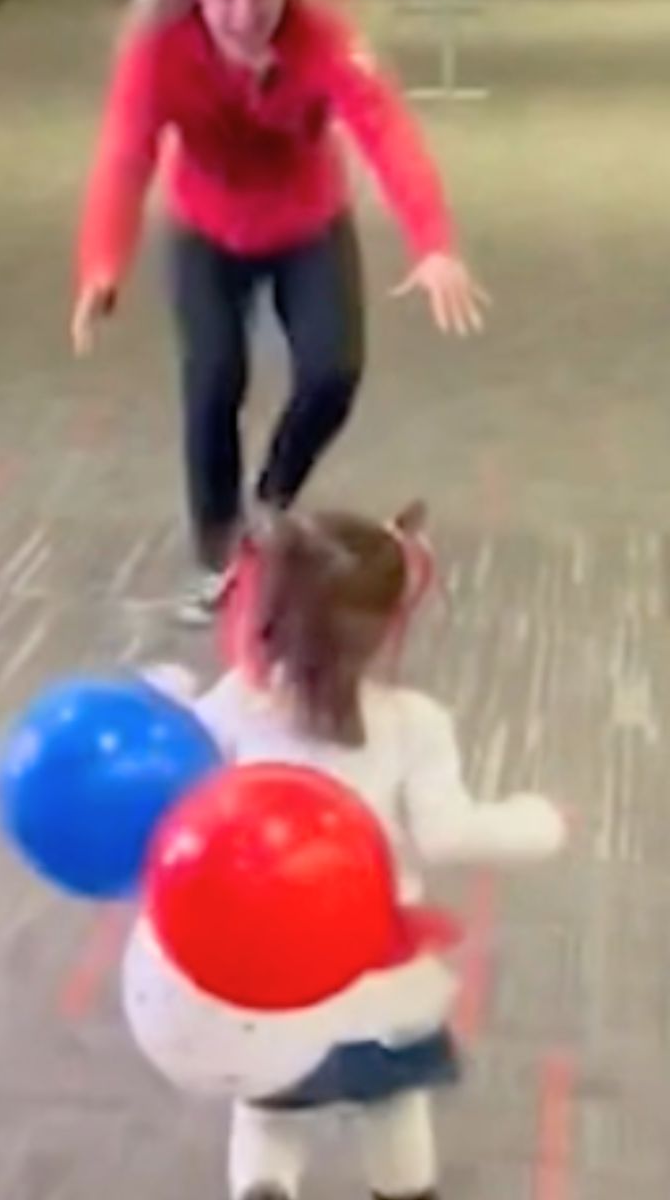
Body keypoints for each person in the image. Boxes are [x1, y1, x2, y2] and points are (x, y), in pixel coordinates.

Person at [71, 0, 488, 626]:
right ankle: (218, 556)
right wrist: (104, 263)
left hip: (306, 221)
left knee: (333, 372)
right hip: (206, 228)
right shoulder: (160, 50)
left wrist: (433, 243)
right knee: (213, 382)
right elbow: (124, 157)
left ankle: (272, 501)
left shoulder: (322, 37)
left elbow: (387, 133)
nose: (243, 13)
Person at [185, 503, 566, 1200]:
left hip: (264, 970)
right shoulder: (412, 724)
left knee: (267, 1110)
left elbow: (182, 780)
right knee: (392, 1106)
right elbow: (448, 833)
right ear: (392, 624)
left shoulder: (237, 703)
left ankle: (264, 1191)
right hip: (373, 973)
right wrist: (538, 822)